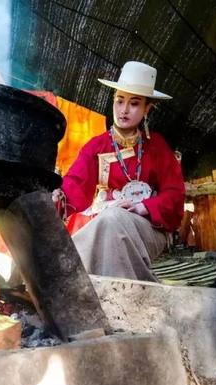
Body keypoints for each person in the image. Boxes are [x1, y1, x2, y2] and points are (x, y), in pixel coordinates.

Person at [52, 61, 186, 282]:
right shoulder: (96, 147)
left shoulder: (158, 146)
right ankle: (83, 287)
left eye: (134, 104)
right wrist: (57, 198)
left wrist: (143, 207)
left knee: (112, 219)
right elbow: (74, 185)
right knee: (105, 221)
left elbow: (175, 194)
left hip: (149, 227)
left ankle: (122, 296)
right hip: (105, 221)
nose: (124, 110)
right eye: (119, 100)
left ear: (147, 110)